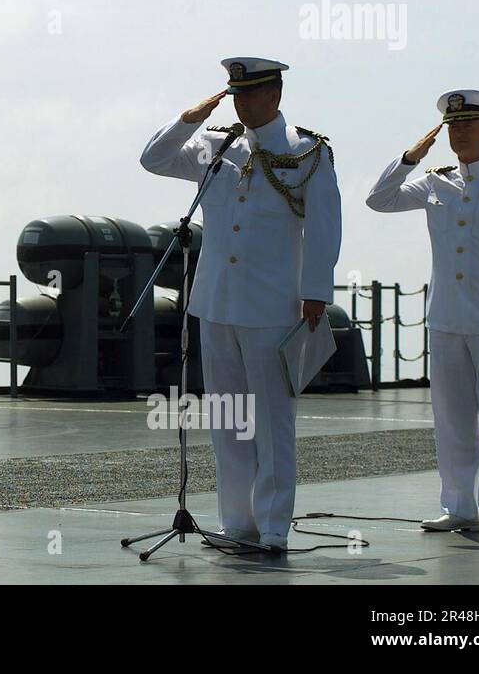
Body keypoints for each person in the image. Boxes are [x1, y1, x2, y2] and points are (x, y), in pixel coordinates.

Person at [139, 58, 341, 553]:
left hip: (274, 303)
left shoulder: (307, 150)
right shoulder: (216, 144)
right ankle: (238, 522)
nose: (240, 103)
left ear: (274, 93)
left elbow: (324, 224)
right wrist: (192, 116)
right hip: (216, 301)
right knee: (229, 418)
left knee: (271, 420)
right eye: (233, 94)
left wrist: (316, 290)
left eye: (249, 94)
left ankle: (273, 526)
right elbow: (153, 158)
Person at [367, 90, 479, 536]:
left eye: (468, 124)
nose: (459, 131)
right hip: (446, 320)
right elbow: (380, 199)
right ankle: (459, 506)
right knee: (452, 421)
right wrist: (409, 157)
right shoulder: (435, 182)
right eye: (453, 125)